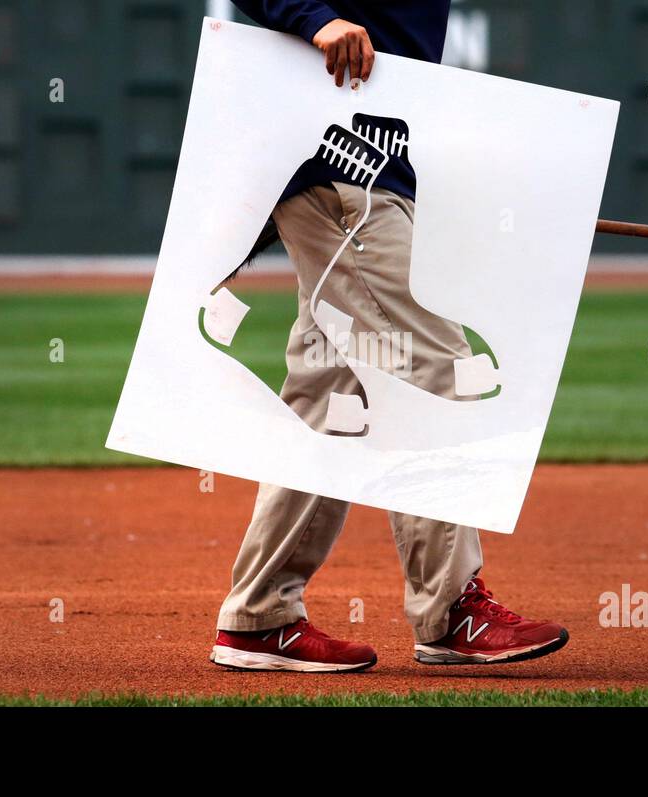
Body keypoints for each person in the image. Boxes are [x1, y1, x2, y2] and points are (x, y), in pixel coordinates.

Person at [211, 0, 568, 672]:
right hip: (346, 164)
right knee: (438, 371)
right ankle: (452, 610)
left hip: (369, 162)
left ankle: (259, 616)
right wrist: (313, 17)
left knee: (333, 403)